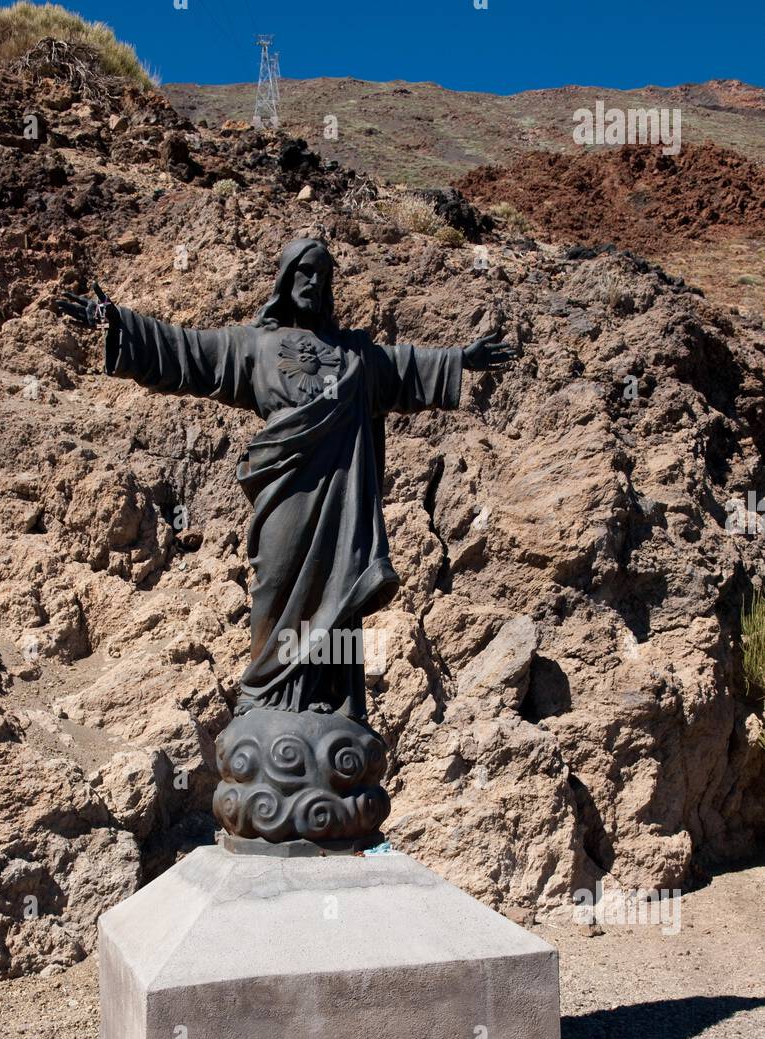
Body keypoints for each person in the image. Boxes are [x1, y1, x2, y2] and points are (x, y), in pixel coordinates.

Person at [57, 238, 516, 721]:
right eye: (304, 272)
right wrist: (118, 321)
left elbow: (403, 367)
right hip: (285, 489)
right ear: (285, 277)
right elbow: (187, 351)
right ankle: (264, 694)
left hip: (340, 500)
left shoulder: (355, 354)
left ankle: (329, 702)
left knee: (336, 588)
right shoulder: (256, 345)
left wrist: (461, 359)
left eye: (322, 274)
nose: (314, 282)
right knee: (274, 583)